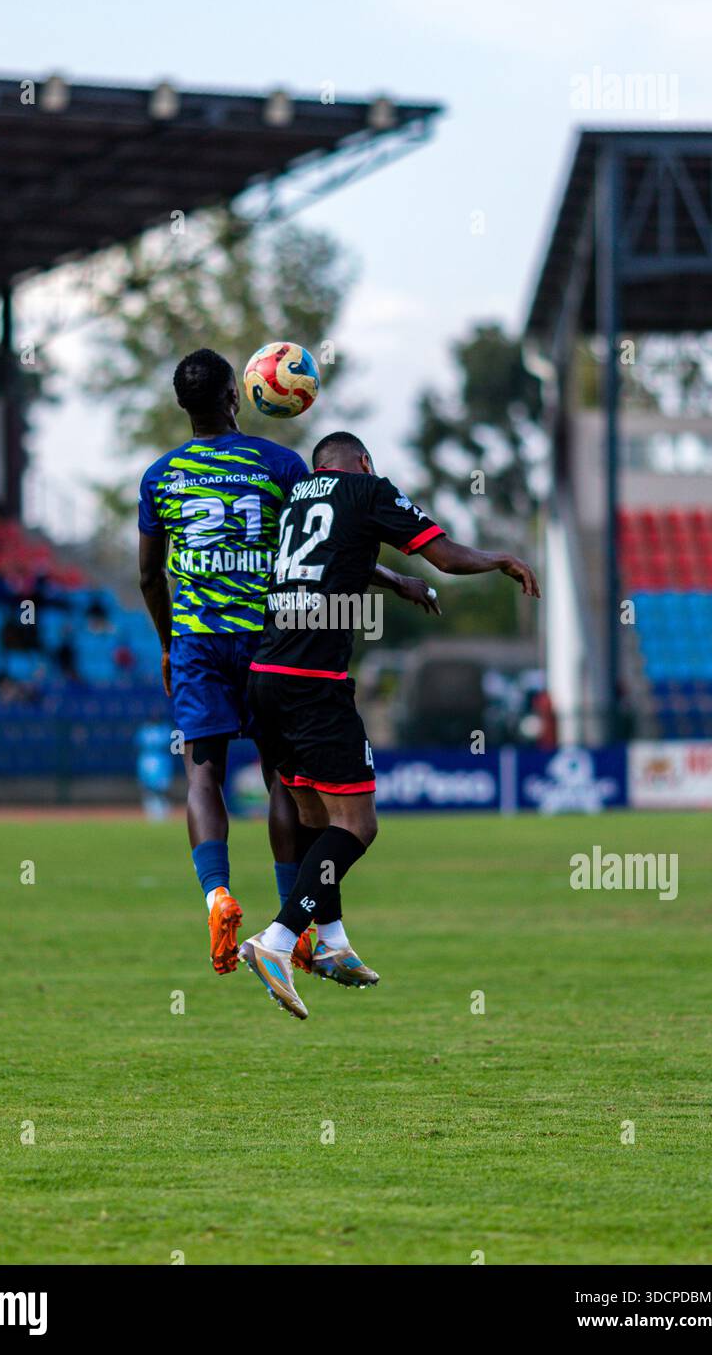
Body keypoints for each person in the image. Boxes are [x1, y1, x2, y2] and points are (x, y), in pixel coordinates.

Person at [138, 350, 433, 976]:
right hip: (269, 641)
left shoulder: (159, 476)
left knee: (203, 779)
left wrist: (168, 643)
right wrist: (396, 580)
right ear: (235, 397)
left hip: (195, 639)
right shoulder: (278, 464)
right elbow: (320, 546)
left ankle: (216, 894)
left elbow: (147, 575)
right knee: (284, 782)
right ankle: (291, 921)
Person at [241, 429, 541, 1020]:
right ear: (363, 462)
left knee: (314, 816)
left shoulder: (298, 496)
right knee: (357, 824)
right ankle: (278, 940)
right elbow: (446, 554)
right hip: (314, 683)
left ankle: (330, 943)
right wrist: (499, 559)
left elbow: (338, 556)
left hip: (266, 673)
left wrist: (394, 580)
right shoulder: (367, 487)